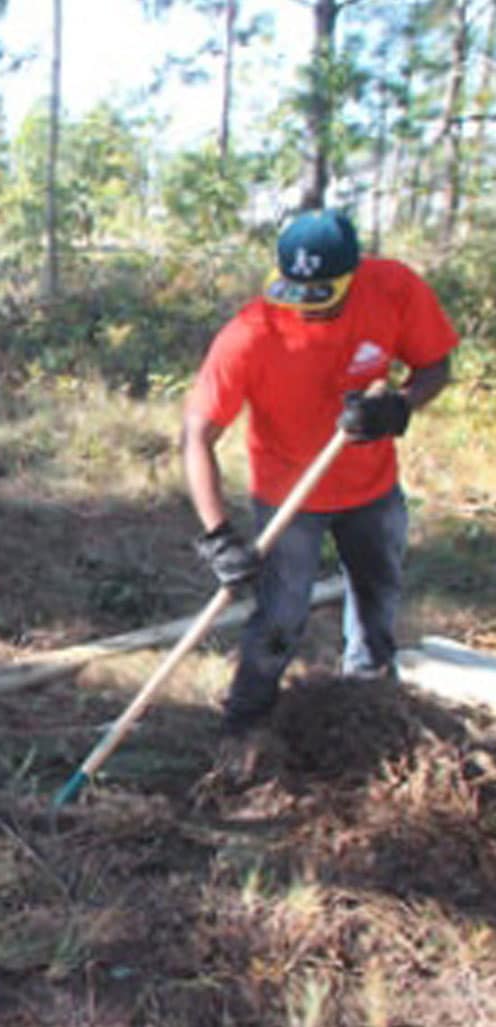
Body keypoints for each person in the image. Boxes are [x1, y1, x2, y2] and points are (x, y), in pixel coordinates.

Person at [182, 208, 459, 780]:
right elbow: (196, 437)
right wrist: (217, 536)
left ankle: (369, 709)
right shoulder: (250, 335)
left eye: (323, 296)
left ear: (353, 274)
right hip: (288, 497)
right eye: (297, 293)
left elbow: (436, 366)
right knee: (280, 616)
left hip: (371, 488)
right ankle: (244, 727)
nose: (307, 307)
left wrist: (400, 405)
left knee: (377, 599)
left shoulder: (393, 289)